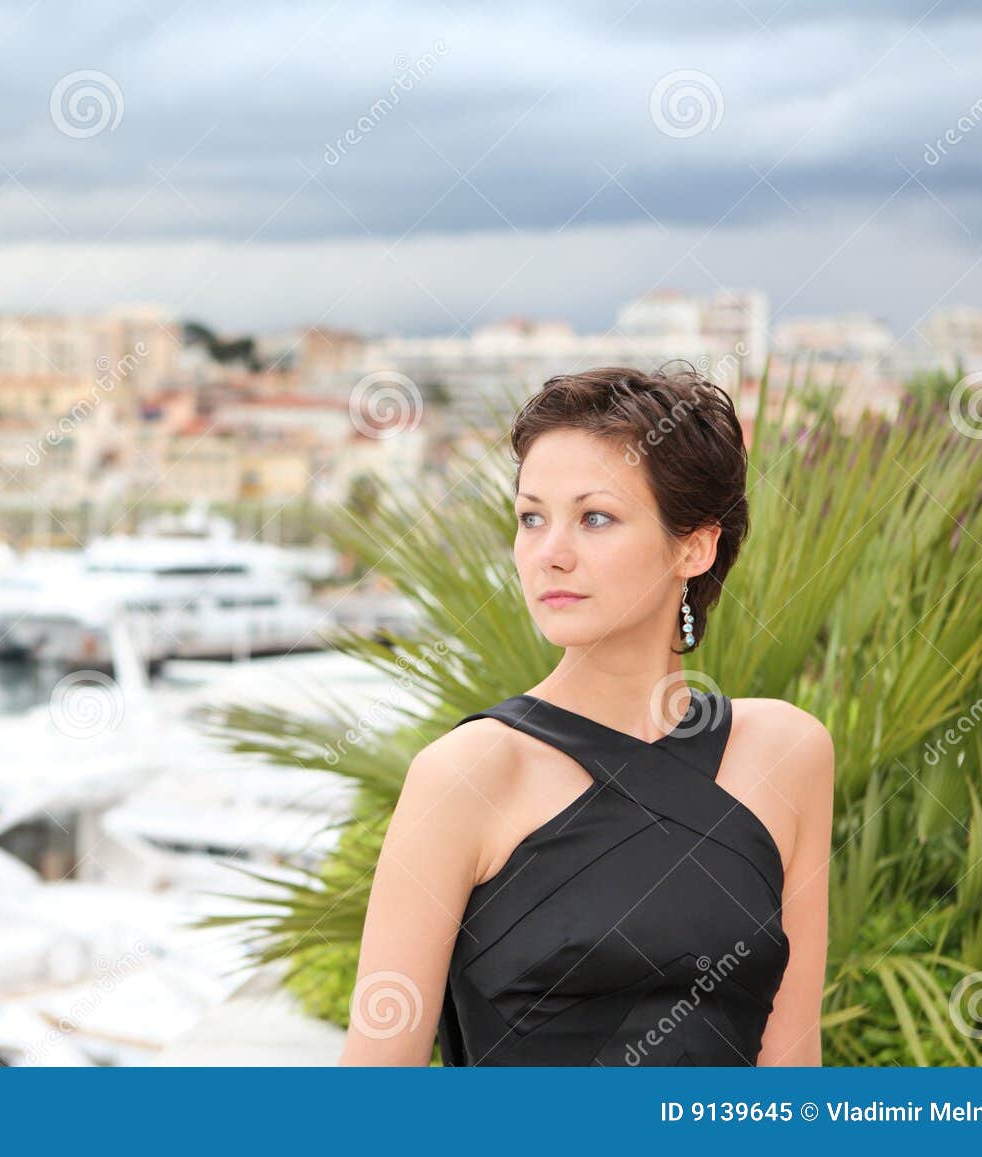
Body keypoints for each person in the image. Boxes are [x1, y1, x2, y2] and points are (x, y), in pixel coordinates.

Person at [339, 365, 834, 1066]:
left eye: (594, 517)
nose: (550, 553)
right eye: (531, 517)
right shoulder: (469, 774)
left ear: (695, 545)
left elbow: (793, 1069)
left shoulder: (788, 752)